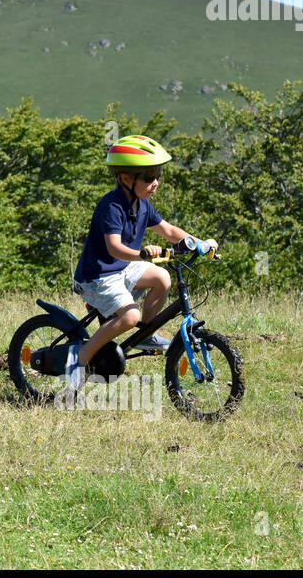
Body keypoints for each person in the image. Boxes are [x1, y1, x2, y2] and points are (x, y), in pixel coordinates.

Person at [67, 135, 218, 390]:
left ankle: (144, 336)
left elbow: (169, 232)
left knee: (163, 278)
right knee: (130, 315)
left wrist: (201, 243)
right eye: (149, 177)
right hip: (97, 277)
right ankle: (79, 359)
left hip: (122, 269)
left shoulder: (143, 205)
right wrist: (142, 255)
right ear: (127, 179)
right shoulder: (111, 206)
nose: (155, 183)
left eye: (157, 175)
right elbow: (114, 247)